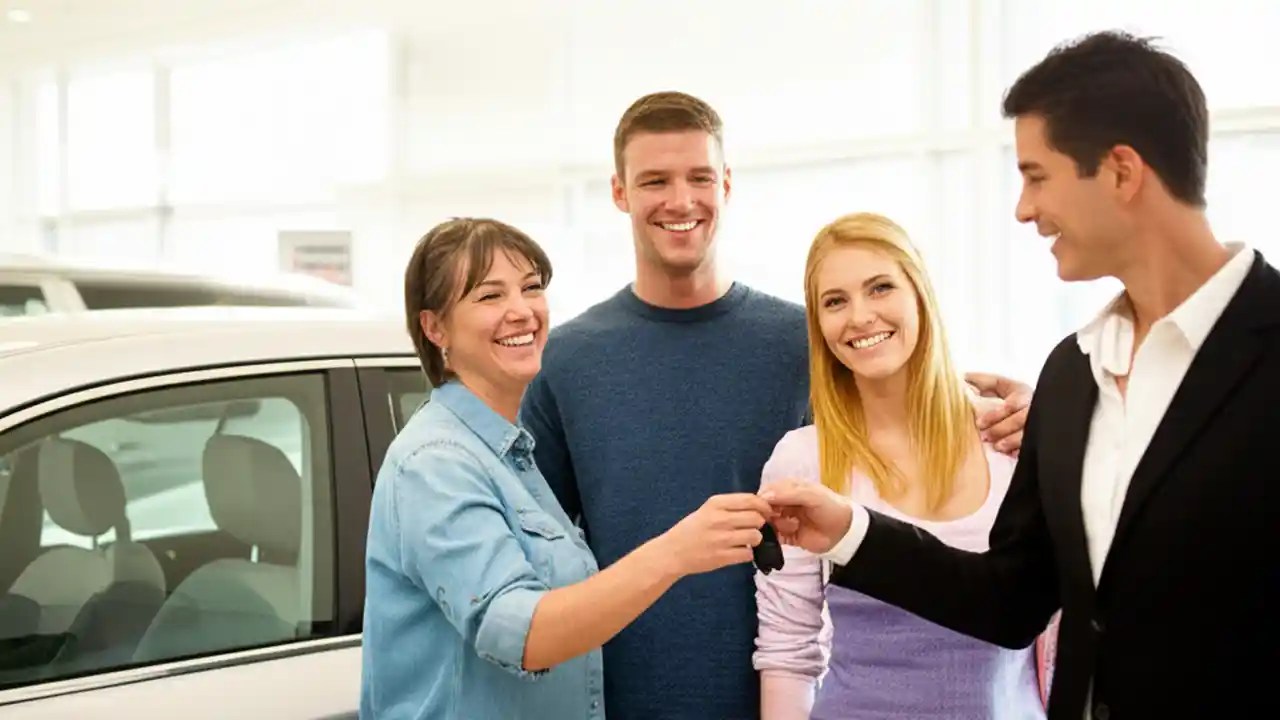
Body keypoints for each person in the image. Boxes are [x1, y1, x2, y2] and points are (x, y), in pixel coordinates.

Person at [759, 31, 1277, 720]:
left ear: (1121, 172)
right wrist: (853, 530)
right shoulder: (1071, 378)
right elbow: (1009, 603)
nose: (1023, 208)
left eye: (1037, 175)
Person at [520, 91, 1035, 719]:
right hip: (627, 703)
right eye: (655, 180)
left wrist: (1035, 415)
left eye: (700, 177)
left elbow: (912, 399)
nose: (680, 200)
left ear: (726, 185)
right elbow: (536, 563)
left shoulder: (811, 343)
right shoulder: (566, 362)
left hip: (786, 698)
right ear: (620, 192)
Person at [360, 217, 775, 720]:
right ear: (434, 327)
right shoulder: (435, 464)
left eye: (531, 288)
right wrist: (677, 552)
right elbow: (522, 634)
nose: (521, 311)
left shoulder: (509, 454)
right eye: (489, 296)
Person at [754, 212, 1048, 719]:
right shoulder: (803, 459)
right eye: (835, 301)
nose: (861, 316)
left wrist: (1055, 430)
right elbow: (788, 651)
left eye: (880, 288)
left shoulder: (1012, 438)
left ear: (920, 294)